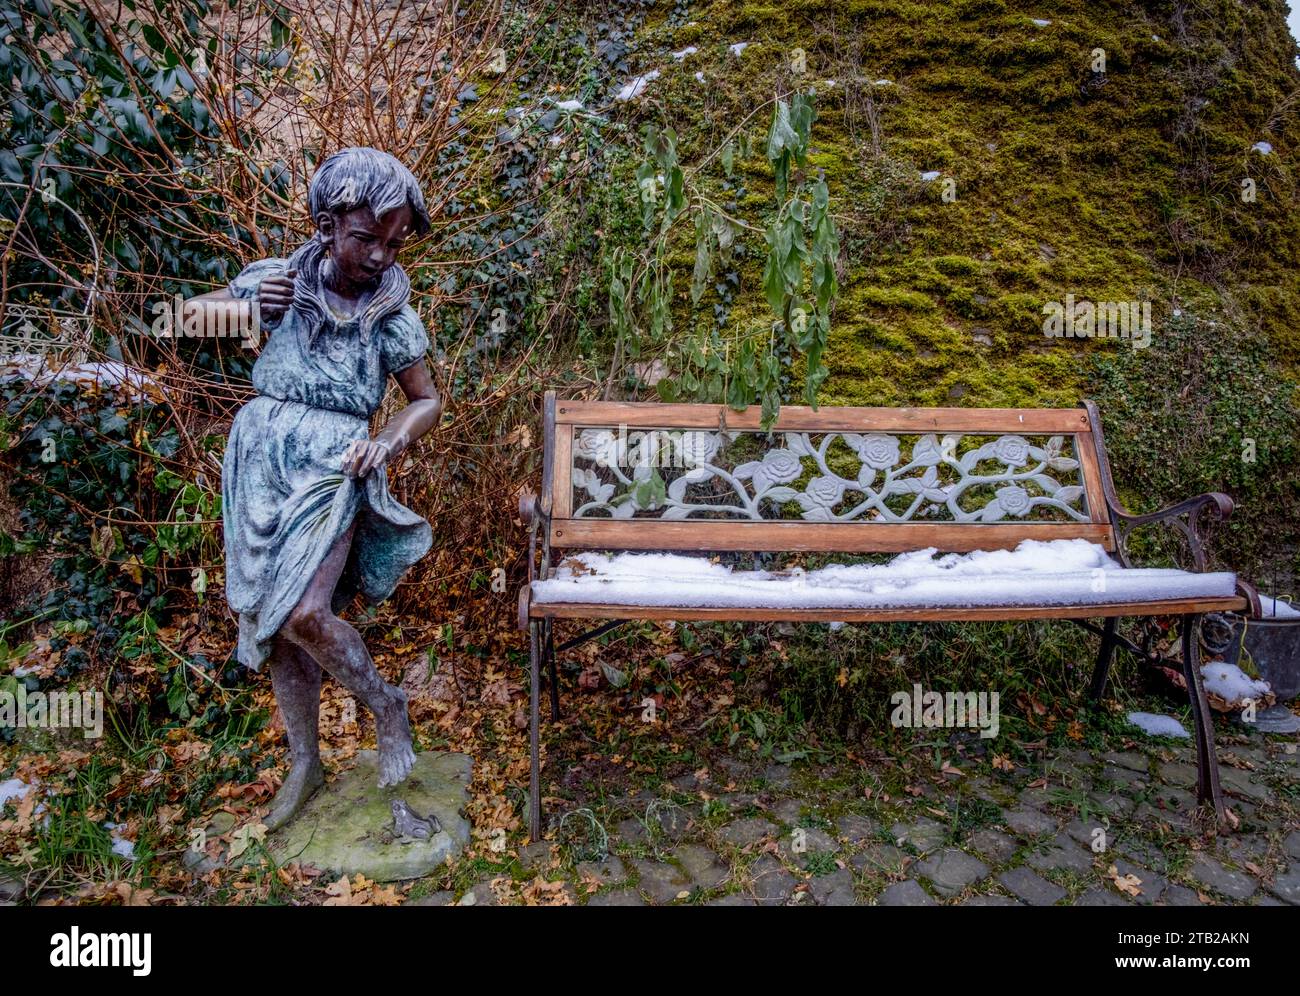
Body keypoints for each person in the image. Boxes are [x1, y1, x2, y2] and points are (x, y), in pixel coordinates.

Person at [194, 147, 441, 830]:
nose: (382, 258)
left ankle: (385, 704)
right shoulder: (278, 282)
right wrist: (241, 308)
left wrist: (385, 440)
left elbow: (427, 400)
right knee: (273, 628)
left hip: (336, 467)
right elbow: (179, 322)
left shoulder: (391, 313)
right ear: (327, 226)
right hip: (261, 461)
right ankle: (305, 762)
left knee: (305, 612)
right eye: (367, 239)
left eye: (393, 244)